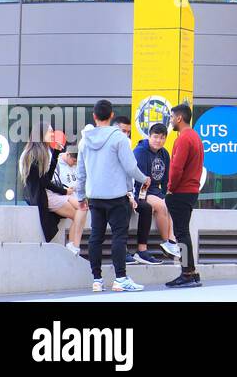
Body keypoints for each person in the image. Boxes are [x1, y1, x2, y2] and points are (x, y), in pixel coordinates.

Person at [74, 100, 151, 293]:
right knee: (119, 237)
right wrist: (144, 179)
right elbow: (130, 167)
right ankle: (120, 279)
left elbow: (81, 172)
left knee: (95, 237)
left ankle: (97, 280)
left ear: (94, 116)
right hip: (116, 197)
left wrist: (81, 196)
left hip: (95, 198)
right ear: (111, 115)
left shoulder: (84, 141)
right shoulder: (120, 139)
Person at [19, 122, 86, 253]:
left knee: (82, 208)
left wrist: (55, 153)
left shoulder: (42, 152)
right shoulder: (34, 154)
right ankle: (72, 246)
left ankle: (74, 246)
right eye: (50, 132)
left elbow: (46, 178)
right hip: (43, 196)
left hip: (46, 193)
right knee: (77, 212)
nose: (52, 134)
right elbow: (44, 182)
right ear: (41, 134)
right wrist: (64, 191)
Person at [164, 102, 204, 288]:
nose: (170, 121)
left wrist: (170, 187)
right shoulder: (195, 137)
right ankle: (192, 271)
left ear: (179, 118)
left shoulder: (183, 139)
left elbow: (177, 167)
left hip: (180, 192)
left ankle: (187, 273)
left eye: (172, 117)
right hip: (191, 191)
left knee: (181, 233)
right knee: (183, 232)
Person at [132, 123, 182, 264]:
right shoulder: (140, 151)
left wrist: (169, 194)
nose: (158, 140)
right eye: (155, 137)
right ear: (149, 136)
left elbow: (166, 179)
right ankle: (167, 241)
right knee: (161, 206)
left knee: (172, 204)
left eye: (162, 138)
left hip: (155, 190)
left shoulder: (164, 153)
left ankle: (171, 241)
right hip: (140, 191)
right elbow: (139, 179)